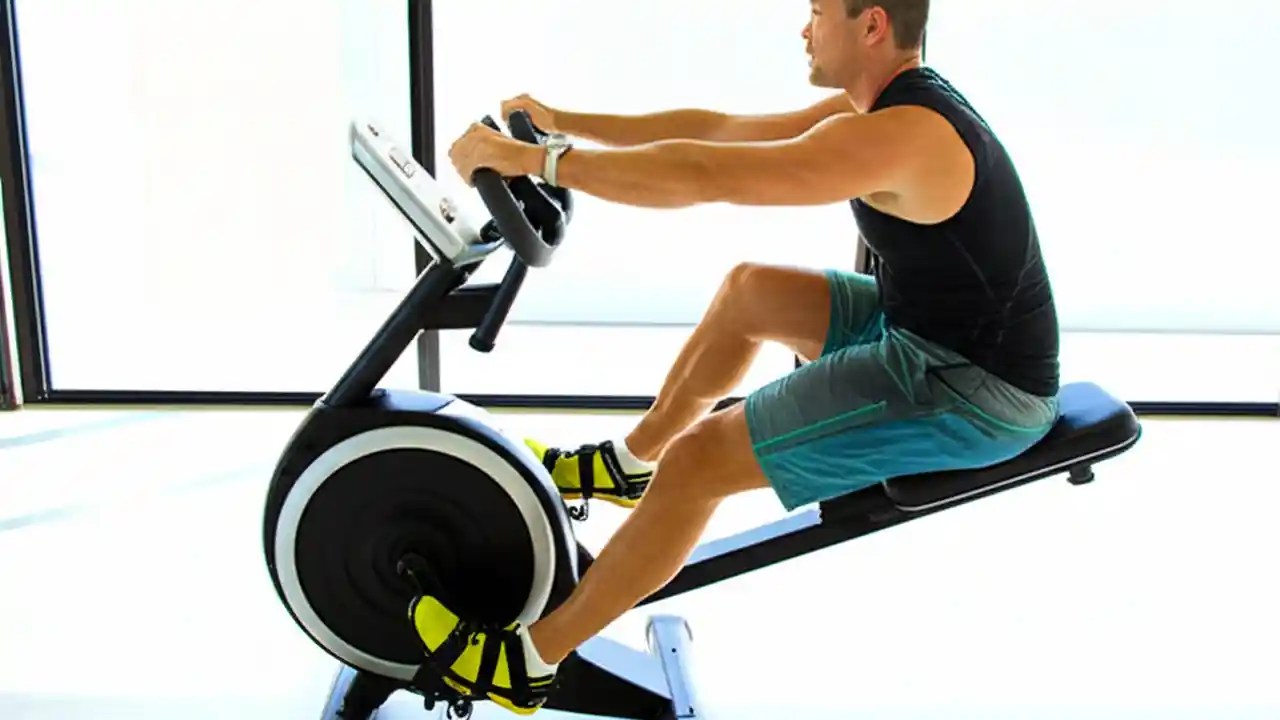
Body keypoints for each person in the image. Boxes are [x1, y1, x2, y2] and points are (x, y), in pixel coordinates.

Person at [410, 0, 1061, 714]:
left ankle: (528, 664)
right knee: (752, 292)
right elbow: (717, 131)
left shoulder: (902, 136)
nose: (804, 29)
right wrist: (562, 122)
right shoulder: (881, 108)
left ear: (872, 25)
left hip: (972, 389)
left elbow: (704, 174)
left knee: (698, 463)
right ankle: (631, 467)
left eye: (818, 12)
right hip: (922, 327)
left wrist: (538, 162)